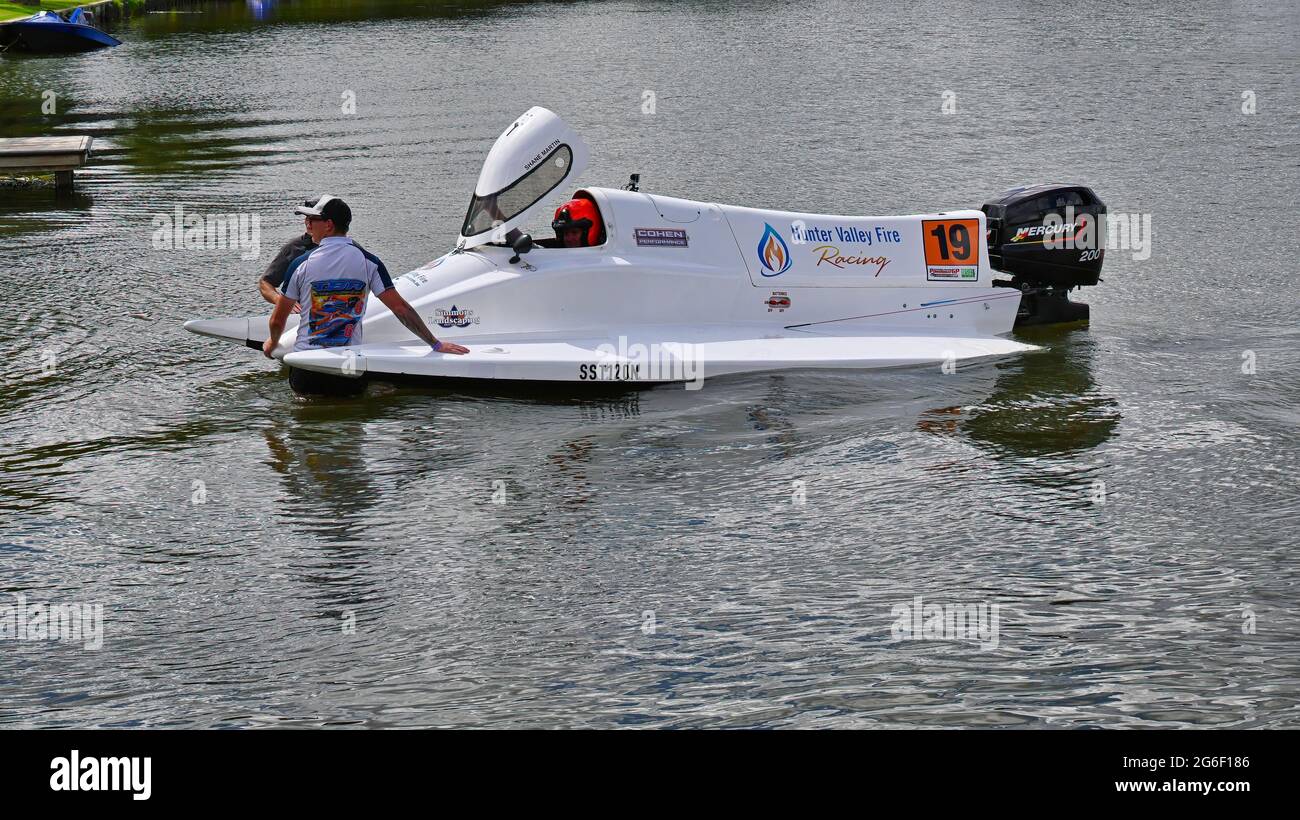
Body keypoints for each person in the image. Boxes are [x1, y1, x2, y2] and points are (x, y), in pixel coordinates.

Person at [262, 195, 468, 395]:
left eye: (313, 220)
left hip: (306, 370)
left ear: (328, 225)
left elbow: (277, 320)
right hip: (349, 369)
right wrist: (435, 343)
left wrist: (272, 343)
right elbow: (400, 308)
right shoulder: (370, 262)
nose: (307, 225)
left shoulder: (301, 265)